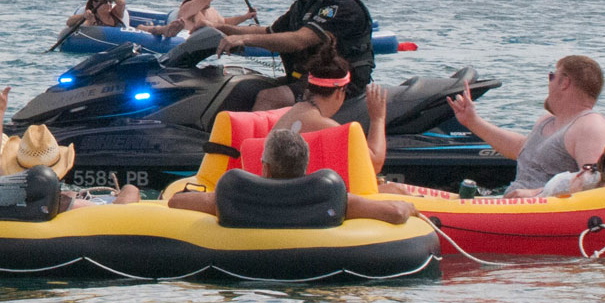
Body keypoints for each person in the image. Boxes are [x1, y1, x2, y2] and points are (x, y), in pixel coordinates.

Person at [216, 0, 375, 109]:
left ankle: (265, 136)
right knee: (244, 89)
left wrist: (244, 40)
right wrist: (220, 28)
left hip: (341, 83)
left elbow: (299, 40)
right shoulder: (303, 5)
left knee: (271, 98)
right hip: (311, 78)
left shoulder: (340, 5)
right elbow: (268, 32)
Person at [167, 127, 417, 223]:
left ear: (264, 166)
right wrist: (409, 207)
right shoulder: (331, 196)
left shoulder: (236, 194)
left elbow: (176, 201)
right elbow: (395, 213)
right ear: (305, 166)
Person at [450, 55, 605, 198]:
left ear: (564, 82)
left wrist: (537, 194)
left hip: (540, 216)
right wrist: (473, 122)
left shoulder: (591, 126)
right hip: (512, 205)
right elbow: (522, 149)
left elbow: (595, 181)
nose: (548, 84)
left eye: (551, 76)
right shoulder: (547, 121)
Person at [0, 75, 139, 206]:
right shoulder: (67, 207)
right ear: (60, 171)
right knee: (131, 189)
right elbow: (122, 212)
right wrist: (130, 189)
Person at [273, 52, 388, 174]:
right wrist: (378, 119)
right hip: (303, 191)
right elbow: (373, 165)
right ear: (339, 93)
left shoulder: (290, 114)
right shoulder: (327, 127)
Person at [64, 0, 129, 29]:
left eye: (110, 1)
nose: (109, 4)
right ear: (95, 3)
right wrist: (83, 16)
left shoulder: (116, 14)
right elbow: (69, 22)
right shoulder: (91, 18)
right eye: (105, 2)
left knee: (139, 27)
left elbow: (122, 3)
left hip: (123, 44)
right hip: (102, 45)